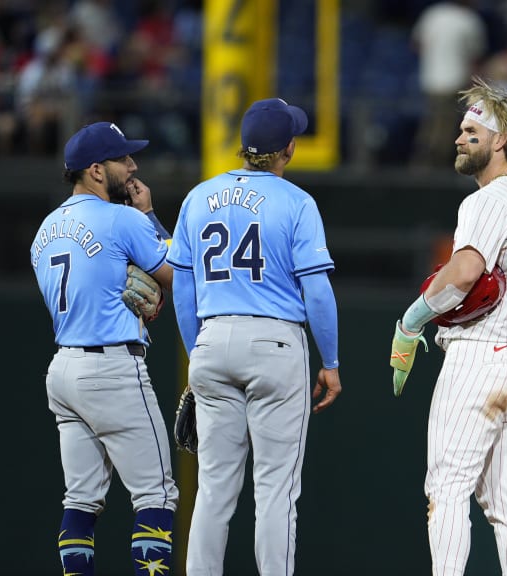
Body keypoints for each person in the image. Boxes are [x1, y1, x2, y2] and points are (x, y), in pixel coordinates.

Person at [166, 97, 342, 575]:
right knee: (275, 489)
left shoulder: (198, 196)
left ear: (245, 148)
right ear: (287, 149)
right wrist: (331, 361)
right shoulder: (297, 202)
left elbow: (184, 286)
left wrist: (195, 349)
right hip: (275, 344)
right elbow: (318, 290)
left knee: (214, 487)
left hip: (211, 339)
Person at [390, 77, 507, 576]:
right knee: (505, 498)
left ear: (500, 141)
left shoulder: (488, 200)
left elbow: (464, 274)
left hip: (481, 358)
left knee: (447, 486)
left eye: (472, 130)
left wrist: (410, 322)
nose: (459, 138)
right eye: (460, 129)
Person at [30, 121, 179, 576]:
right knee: (156, 495)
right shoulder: (123, 219)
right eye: (123, 159)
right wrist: (150, 216)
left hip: (63, 371)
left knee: (80, 501)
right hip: (113, 367)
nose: (133, 166)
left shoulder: (45, 230)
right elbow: (180, 272)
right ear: (96, 170)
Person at [411, 0, 487, 168]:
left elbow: (417, 44)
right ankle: (432, 167)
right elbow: (475, 57)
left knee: (433, 124)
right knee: (443, 128)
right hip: (454, 81)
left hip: (430, 80)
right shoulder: (469, 19)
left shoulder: (433, 13)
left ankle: (424, 165)